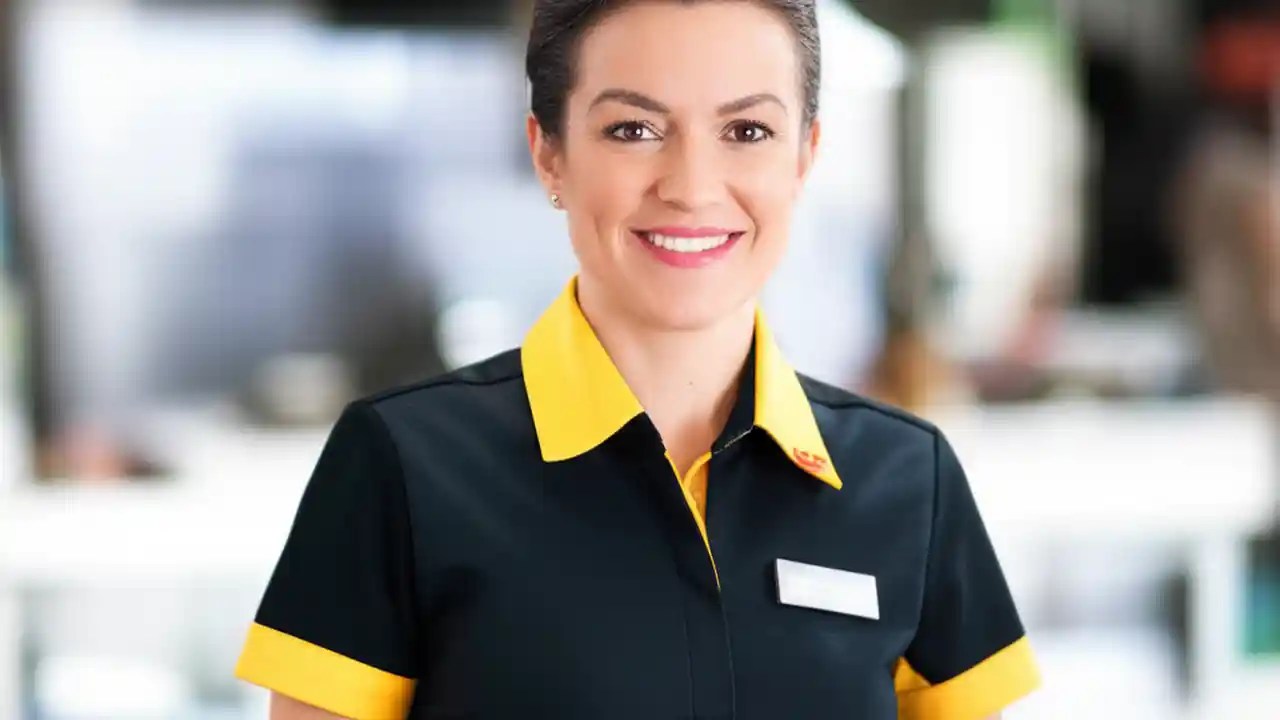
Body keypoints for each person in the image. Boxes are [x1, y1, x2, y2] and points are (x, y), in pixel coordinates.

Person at [233, 1, 1041, 718]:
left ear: (804, 155)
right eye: (633, 129)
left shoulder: (910, 480)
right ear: (549, 153)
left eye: (747, 131)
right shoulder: (401, 466)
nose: (692, 186)